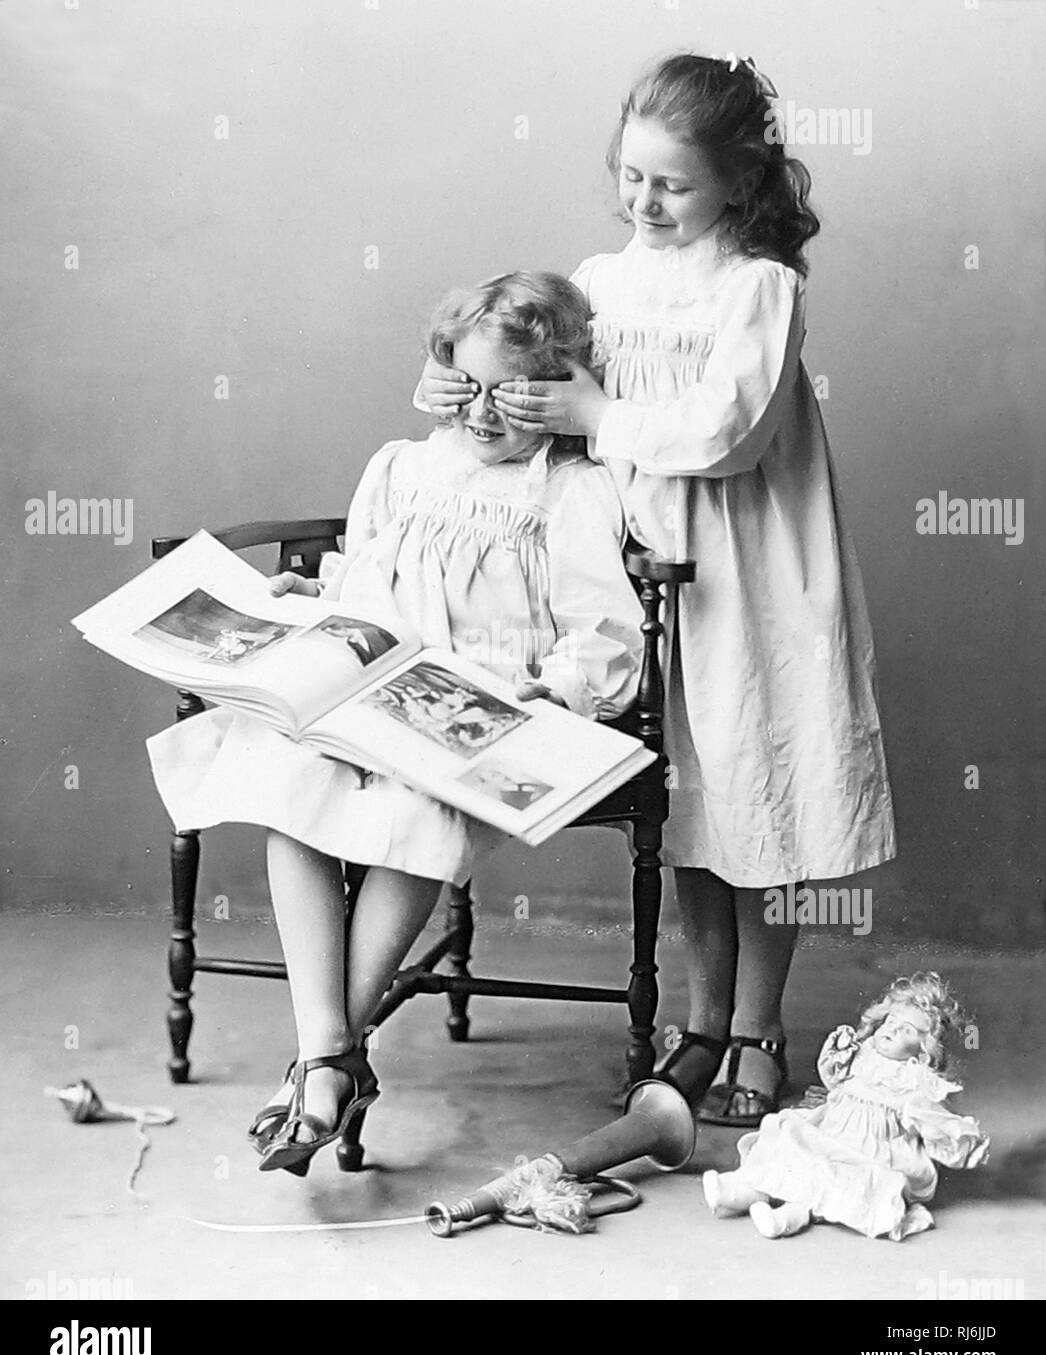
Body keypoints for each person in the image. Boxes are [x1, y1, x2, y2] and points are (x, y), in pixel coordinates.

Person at [419, 53, 896, 1125]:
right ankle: (700, 1018)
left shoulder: (757, 290)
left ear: (736, 180)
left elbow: (724, 435)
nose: (642, 200)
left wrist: (600, 417)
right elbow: (521, 372)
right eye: (629, 176)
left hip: (750, 580)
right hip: (641, 583)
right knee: (685, 810)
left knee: (758, 805)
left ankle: (761, 1028)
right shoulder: (602, 280)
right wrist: (457, 385)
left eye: (670, 184)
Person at [146, 271, 644, 1175]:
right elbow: (367, 581)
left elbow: (606, 635)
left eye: (517, 396)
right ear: (442, 374)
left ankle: (320, 1067)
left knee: (417, 820)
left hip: (472, 711)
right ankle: (329, 1050)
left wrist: (552, 688)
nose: (487, 416)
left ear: (561, 392)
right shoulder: (402, 466)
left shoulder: (571, 491)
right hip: (365, 694)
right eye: (471, 389)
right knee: (291, 790)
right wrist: (314, 595)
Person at [701, 972, 989, 1239]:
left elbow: (937, 1123)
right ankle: (743, 1191)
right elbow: (834, 1083)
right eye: (890, 1022)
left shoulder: (913, 1083)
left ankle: (787, 1218)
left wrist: (964, 1144)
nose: (892, 1032)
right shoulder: (862, 1055)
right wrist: (838, 1055)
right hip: (832, 1131)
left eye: (906, 1031)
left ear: (925, 1048)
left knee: (840, 1179)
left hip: (871, 1152)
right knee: (789, 1140)